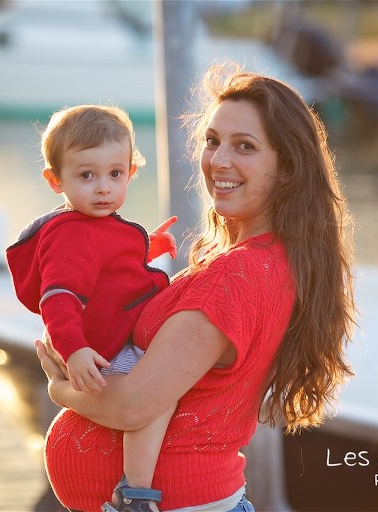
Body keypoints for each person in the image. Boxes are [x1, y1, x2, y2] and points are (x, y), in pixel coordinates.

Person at [35, 63, 356, 512]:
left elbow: (131, 407)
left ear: (287, 168)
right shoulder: (264, 260)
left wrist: (58, 388)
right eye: (212, 141)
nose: (218, 161)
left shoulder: (236, 276)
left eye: (244, 146)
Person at [6, 105, 178, 511]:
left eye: (115, 174)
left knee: (159, 392)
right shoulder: (70, 235)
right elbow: (59, 297)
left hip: (118, 335)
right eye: (87, 175)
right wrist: (75, 349)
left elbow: (110, 265)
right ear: (55, 180)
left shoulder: (96, 224)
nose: (103, 187)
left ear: (130, 172)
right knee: (155, 398)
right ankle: (136, 494)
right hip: (108, 348)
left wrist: (150, 246)